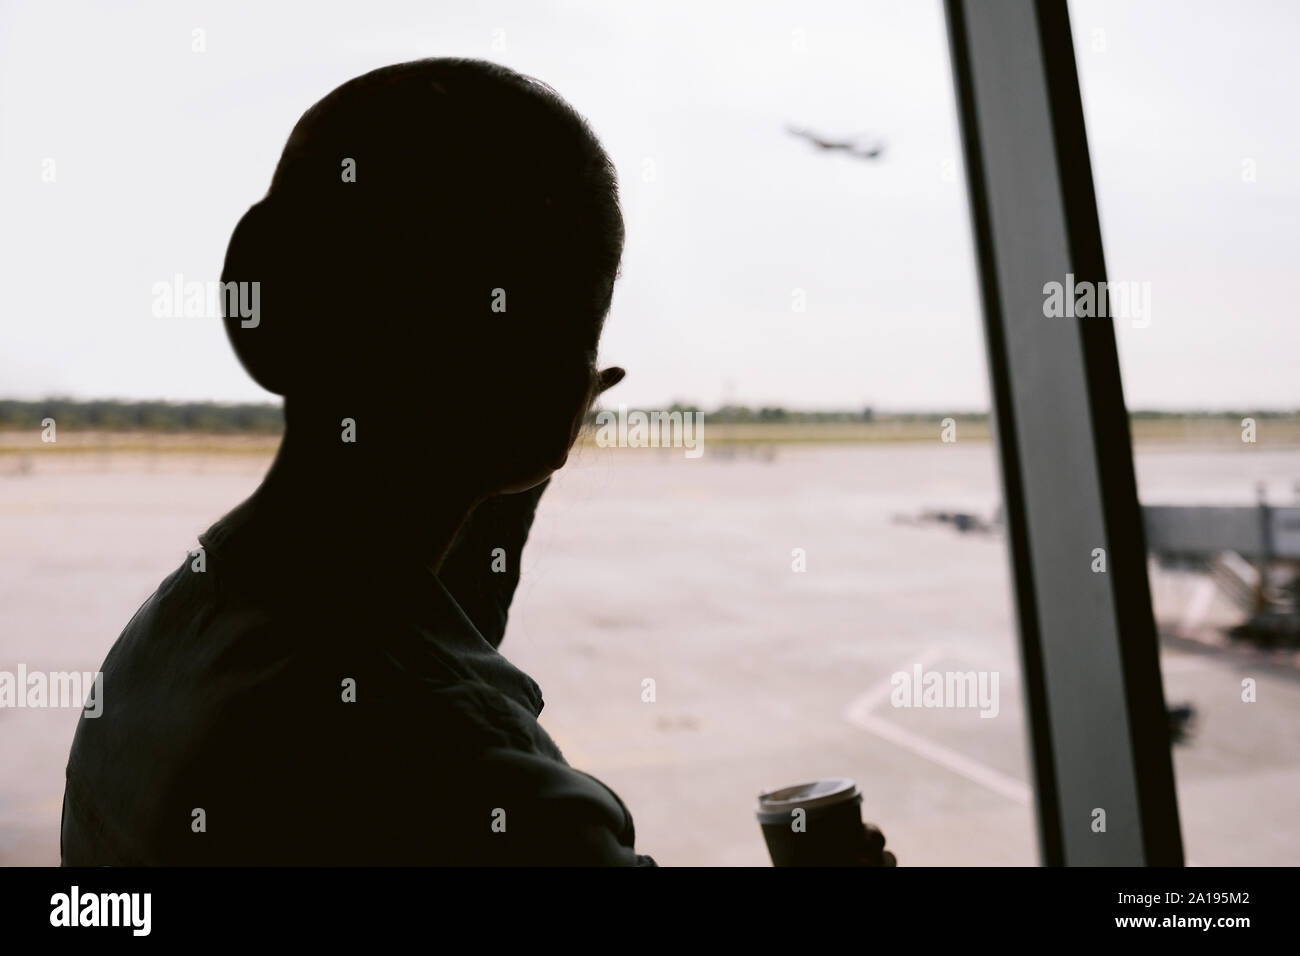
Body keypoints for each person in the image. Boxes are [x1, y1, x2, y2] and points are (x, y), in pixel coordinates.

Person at [61, 58, 891, 866]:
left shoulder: (175, 637)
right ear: (555, 402)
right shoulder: (479, 783)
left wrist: (522, 423)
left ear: (259, 305)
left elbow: (413, 612)